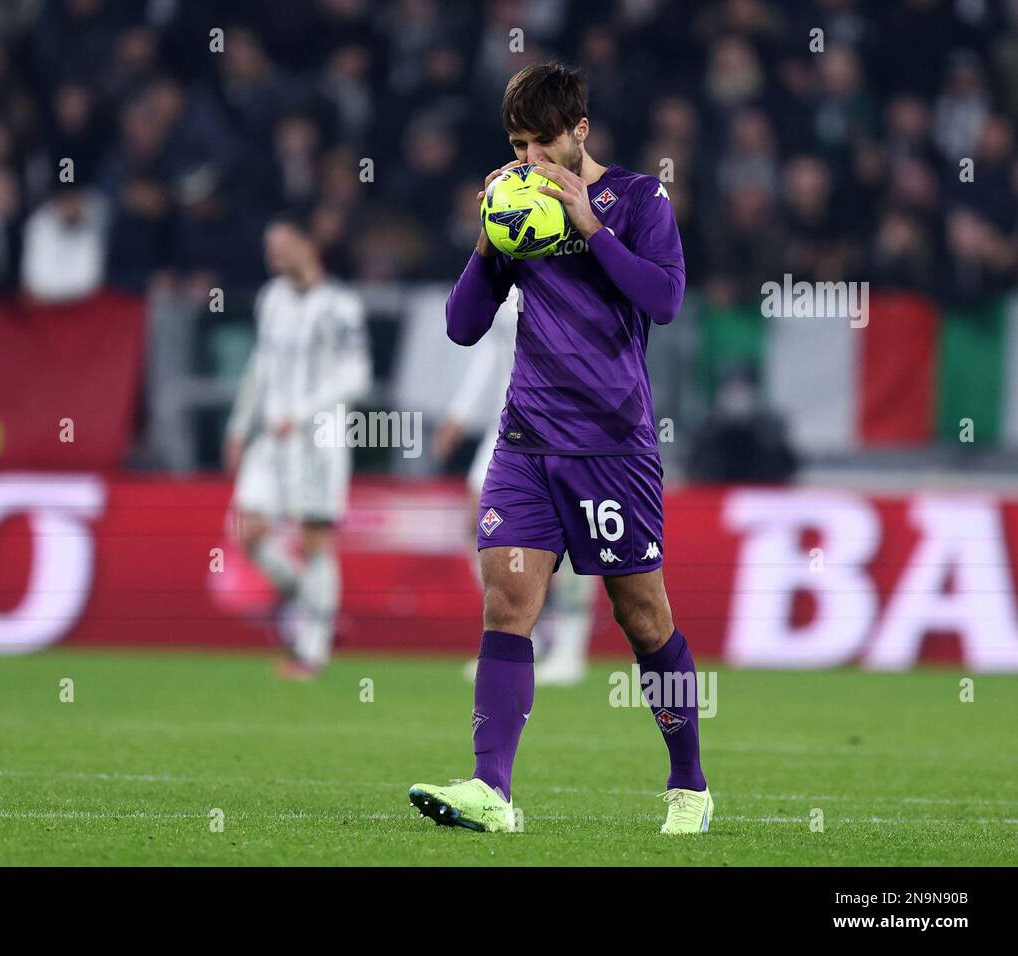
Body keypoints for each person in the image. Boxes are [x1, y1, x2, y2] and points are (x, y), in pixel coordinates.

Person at [410, 63, 711, 834]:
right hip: (525, 441)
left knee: (642, 617)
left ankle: (689, 785)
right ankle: (492, 792)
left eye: (544, 145)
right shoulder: (515, 207)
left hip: (611, 445)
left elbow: (665, 300)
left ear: (580, 132)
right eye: (517, 146)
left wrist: (591, 227)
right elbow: (462, 326)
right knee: (508, 603)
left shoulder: (640, 201)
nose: (530, 163)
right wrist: (487, 243)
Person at [223, 215, 370, 679]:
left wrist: (303, 412)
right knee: (247, 530)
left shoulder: (341, 306)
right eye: (270, 248)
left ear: (310, 244)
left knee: (314, 540)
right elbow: (260, 366)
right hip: (270, 438)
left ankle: (314, 650)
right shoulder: (271, 300)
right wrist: (238, 427)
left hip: (319, 439)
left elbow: (357, 377)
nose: (274, 257)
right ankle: (310, 600)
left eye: (282, 245)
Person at [432, 287, 595, 687]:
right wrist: (459, 414)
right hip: (511, 420)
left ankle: (571, 649)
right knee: (480, 523)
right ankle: (525, 637)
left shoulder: (579, 274)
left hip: (570, 421)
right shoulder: (509, 271)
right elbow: (493, 351)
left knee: (577, 535)